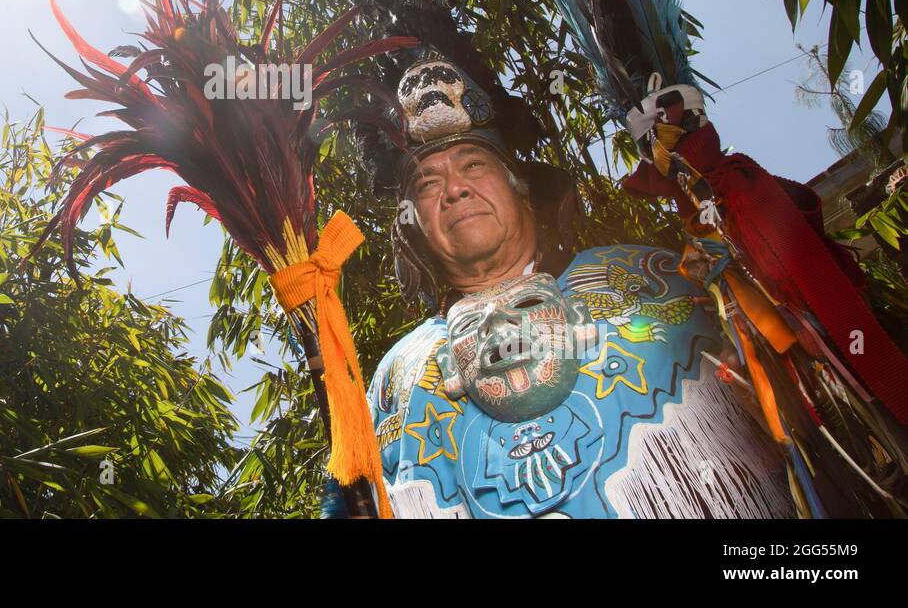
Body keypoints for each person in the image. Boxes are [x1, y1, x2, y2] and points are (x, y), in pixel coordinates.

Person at [323, 54, 794, 518]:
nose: (454, 190)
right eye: (427, 183)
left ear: (520, 186)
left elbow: (800, 382)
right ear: (415, 226)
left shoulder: (646, 273)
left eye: (473, 166)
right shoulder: (395, 377)